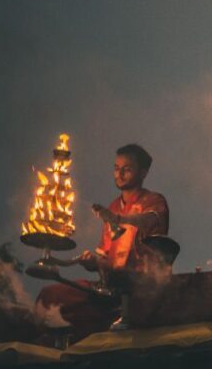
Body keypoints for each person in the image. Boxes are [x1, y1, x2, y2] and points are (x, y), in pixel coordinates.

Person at [35, 144, 169, 339]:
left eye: (127, 169)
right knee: (50, 297)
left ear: (143, 173)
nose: (120, 174)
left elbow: (150, 220)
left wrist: (118, 219)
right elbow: (104, 257)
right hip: (109, 289)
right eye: (116, 168)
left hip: (139, 289)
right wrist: (92, 261)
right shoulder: (114, 206)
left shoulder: (154, 200)